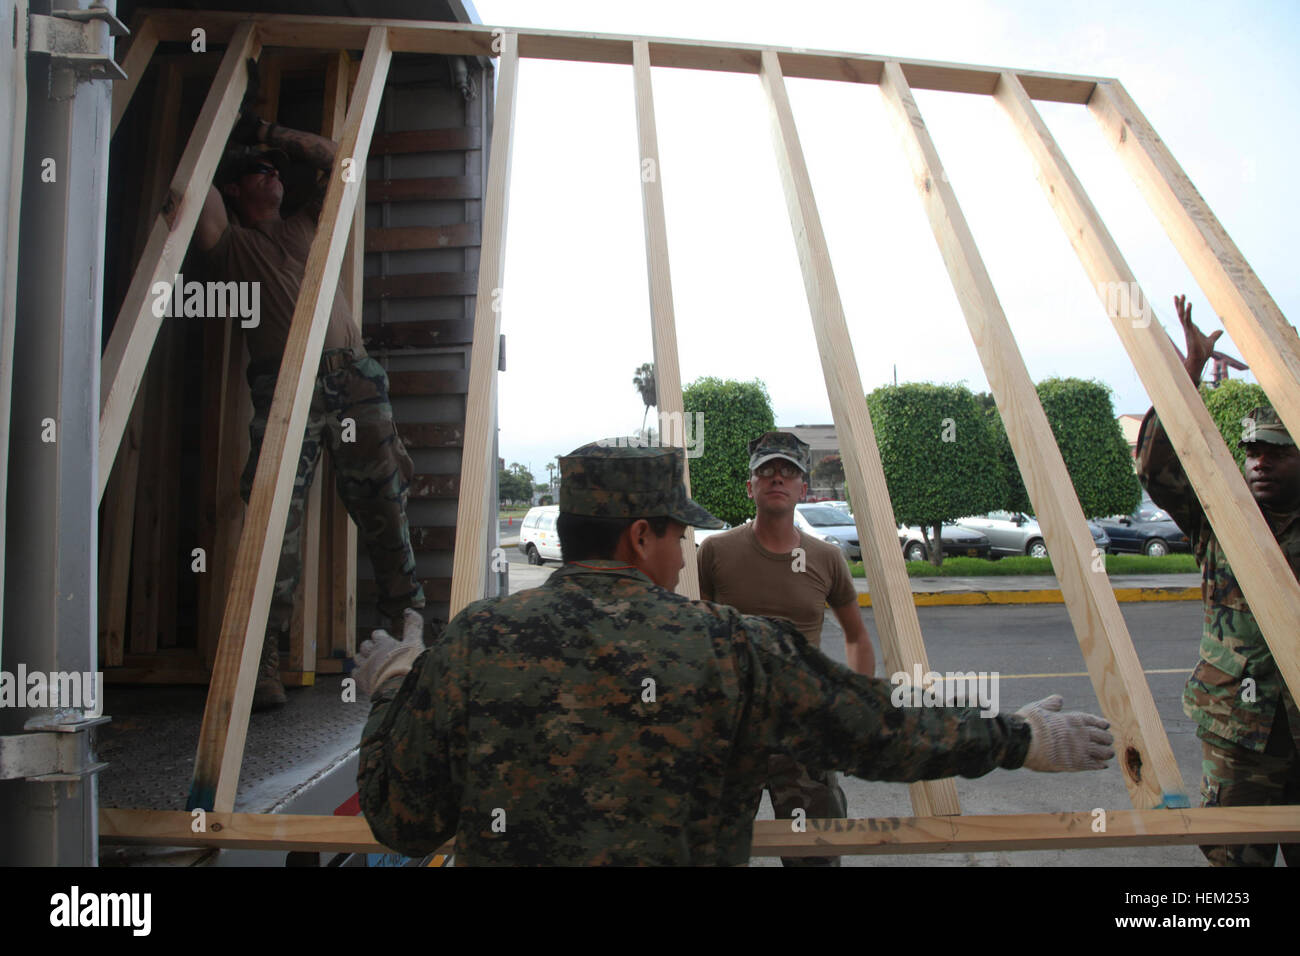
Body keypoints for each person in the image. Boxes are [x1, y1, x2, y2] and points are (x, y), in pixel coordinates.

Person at [354, 442, 1113, 866]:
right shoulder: (730, 646)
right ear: (640, 536)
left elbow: (404, 820)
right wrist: (1020, 738)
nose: (685, 549)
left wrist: (396, 682)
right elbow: (880, 731)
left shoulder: (475, 639)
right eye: (677, 533)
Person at [194, 94, 424, 710]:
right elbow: (188, 191)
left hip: (354, 380)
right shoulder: (231, 247)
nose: (271, 176)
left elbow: (341, 160)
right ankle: (264, 657)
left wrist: (264, 131)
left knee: (384, 506)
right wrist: (222, 140)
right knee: (275, 525)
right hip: (287, 386)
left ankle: (412, 634)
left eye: (275, 171)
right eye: (257, 172)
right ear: (238, 191)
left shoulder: (304, 226)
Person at [1136, 294, 1300, 867]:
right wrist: (1189, 372)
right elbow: (1156, 468)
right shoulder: (1220, 519)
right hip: (1239, 734)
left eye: (1275, 453)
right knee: (1234, 869)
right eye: (1252, 450)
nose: (1258, 461)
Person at [698, 431, 872, 866]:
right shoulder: (715, 551)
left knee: (813, 852)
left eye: (788, 472)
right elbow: (697, 637)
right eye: (766, 471)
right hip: (730, 730)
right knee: (710, 852)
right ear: (751, 486)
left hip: (803, 732)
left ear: (802, 489)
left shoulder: (826, 558)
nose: (777, 478)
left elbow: (856, 636)